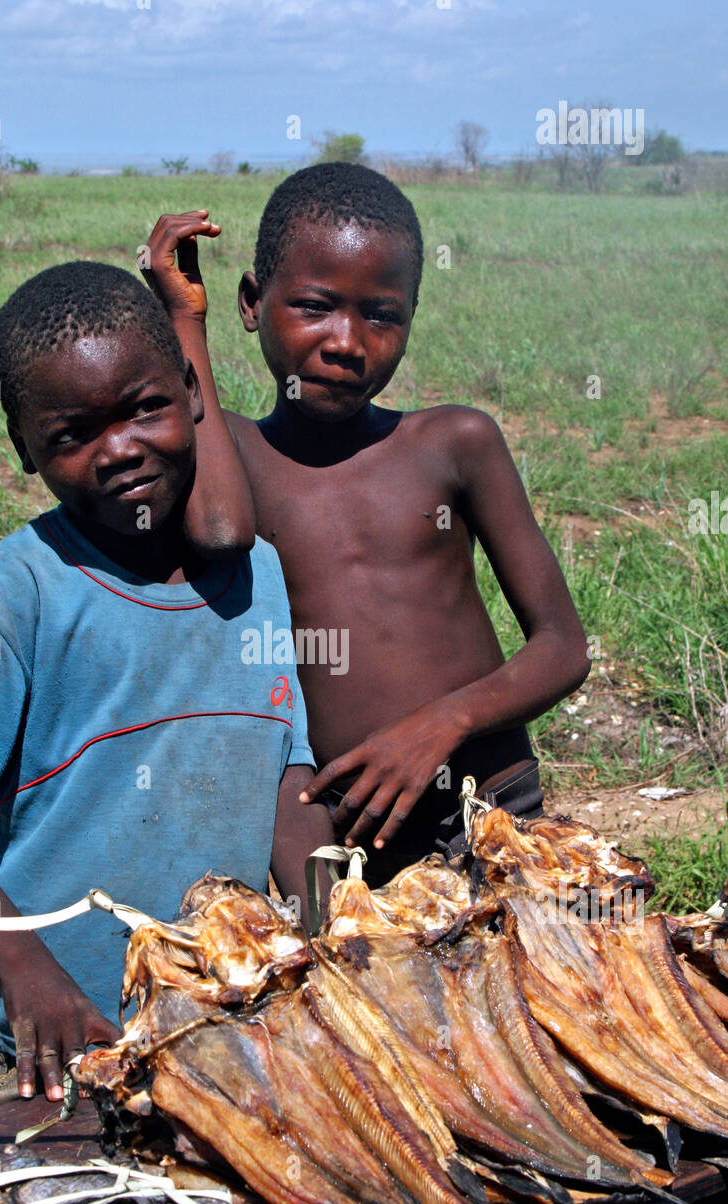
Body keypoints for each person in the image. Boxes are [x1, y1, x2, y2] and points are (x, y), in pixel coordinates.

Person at [0, 260, 331, 1119]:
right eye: (72, 435)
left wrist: (328, 925)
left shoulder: (257, 577)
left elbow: (285, 774)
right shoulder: (21, 591)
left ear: (192, 390)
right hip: (44, 1059)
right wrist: (24, 965)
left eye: (143, 407)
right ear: (24, 450)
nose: (119, 448)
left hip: (217, 1042)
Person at [144, 163, 591, 887]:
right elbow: (216, 524)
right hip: (345, 835)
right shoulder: (237, 459)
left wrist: (440, 726)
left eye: (382, 315)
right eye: (316, 306)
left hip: (489, 811)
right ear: (252, 304)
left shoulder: (454, 444)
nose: (348, 341)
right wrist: (183, 317)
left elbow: (563, 648)